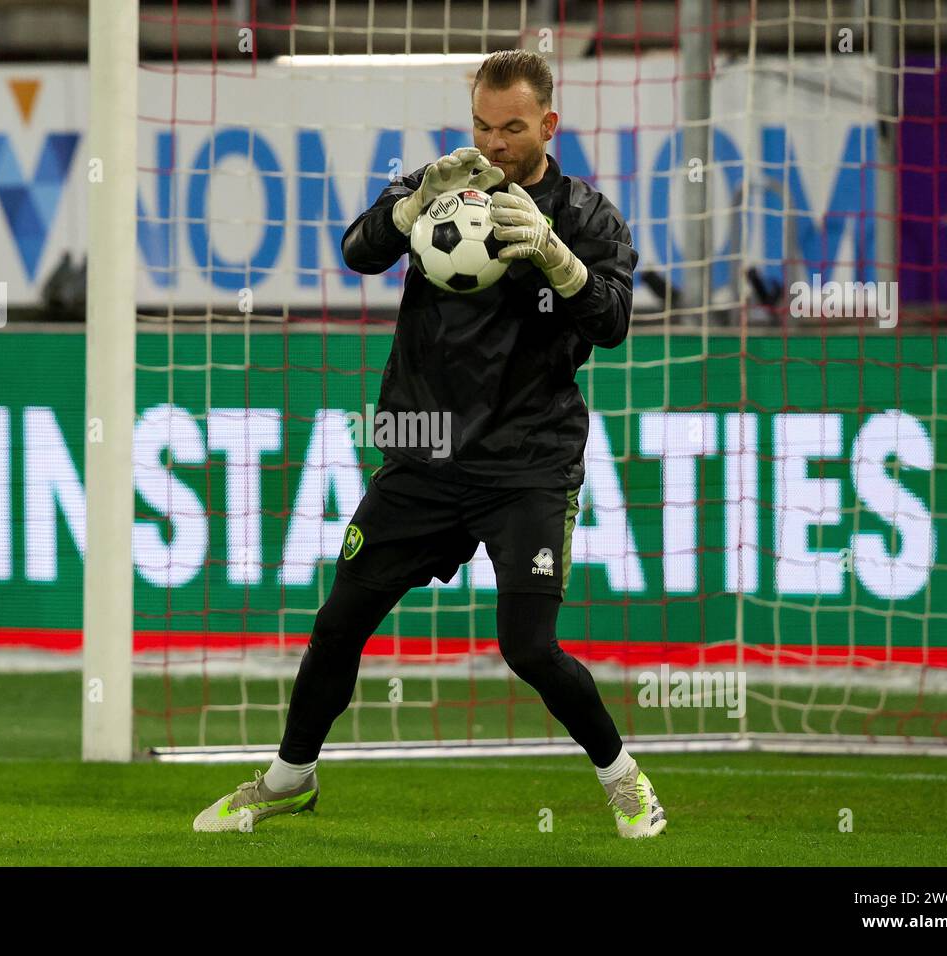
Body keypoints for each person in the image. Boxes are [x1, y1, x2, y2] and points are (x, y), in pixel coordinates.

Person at [194, 50, 663, 839]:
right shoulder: (441, 184)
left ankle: (624, 780)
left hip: (527, 465)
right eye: (483, 123)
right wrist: (405, 213)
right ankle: (288, 780)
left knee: (528, 646)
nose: (495, 141)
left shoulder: (586, 216)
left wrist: (559, 259)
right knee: (340, 622)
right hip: (424, 451)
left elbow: (614, 321)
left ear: (549, 125)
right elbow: (356, 250)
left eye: (513, 128)